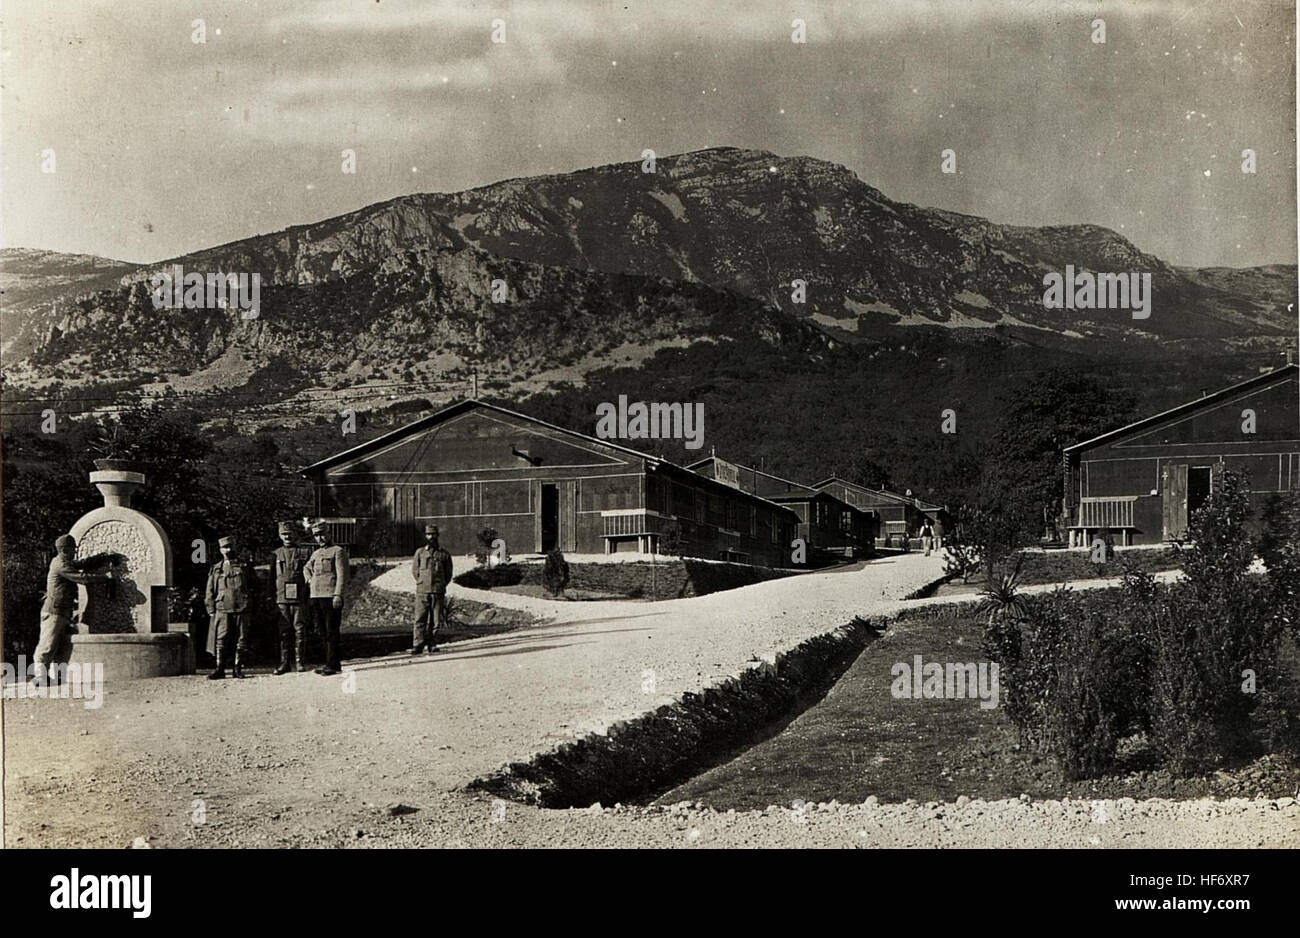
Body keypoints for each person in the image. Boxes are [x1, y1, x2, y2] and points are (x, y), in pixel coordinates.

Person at [32, 534, 112, 687]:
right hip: (54, 611)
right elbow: (82, 577)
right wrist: (104, 578)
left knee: (55, 644)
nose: (74, 552)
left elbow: (80, 564)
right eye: (72, 549)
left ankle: (45, 676)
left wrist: (101, 558)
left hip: (61, 611)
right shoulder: (60, 565)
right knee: (47, 644)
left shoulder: (64, 561)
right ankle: (40, 677)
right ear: (63, 550)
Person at [205, 535, 258, 680]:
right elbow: (210, 590)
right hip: (222, 607)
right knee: (221, 638)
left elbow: (255, 586)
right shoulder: (216, 568)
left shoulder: (245, 566)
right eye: (224, 547)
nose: (227, 550)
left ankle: (237, 668)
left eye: (229, 547)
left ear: (235, 548)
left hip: (242, 606)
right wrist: (210, 609)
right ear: (220, 550)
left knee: (242, 638)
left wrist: (251, 603)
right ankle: (220, 668)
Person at [304, 521, 348, 676]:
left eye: (322, 534)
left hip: (330, 596)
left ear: (329, 533)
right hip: (316, 595)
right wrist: (309, 579)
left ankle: (333, 663)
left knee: (331, 631)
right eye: (316, 535)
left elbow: (342, 575)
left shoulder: (338, 551)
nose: (320, 538)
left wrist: (338, 594)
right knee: (322, 631)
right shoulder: (315, 554)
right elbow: (306, 567)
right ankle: (330, 663)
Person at [272, 521, 312, 674]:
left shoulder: (305, 552)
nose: (287, 536)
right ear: (279, 535)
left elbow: (309, 575)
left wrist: (309, 596)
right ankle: (284, 663)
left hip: (299, 597)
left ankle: (300, 662)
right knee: (283, 631)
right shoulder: (275, 554)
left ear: (295, 534)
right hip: (281, 597)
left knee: (300, 630)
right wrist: (271, 597)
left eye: (289, 533)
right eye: (284, 534)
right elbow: (272, 578)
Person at [410, 523, 454, 655]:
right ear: (425, 536)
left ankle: (432, 643)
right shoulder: (420, 553)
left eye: (433, 534)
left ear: (437, 535)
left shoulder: (444, 554)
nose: (431, 537)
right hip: (422, 591)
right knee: (420, 619)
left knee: (436, 620)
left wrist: (440, 585)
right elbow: (415, 571)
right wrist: (421, 582)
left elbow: (448, 573)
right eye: (429, 534)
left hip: (437, 590)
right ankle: (417, 645)